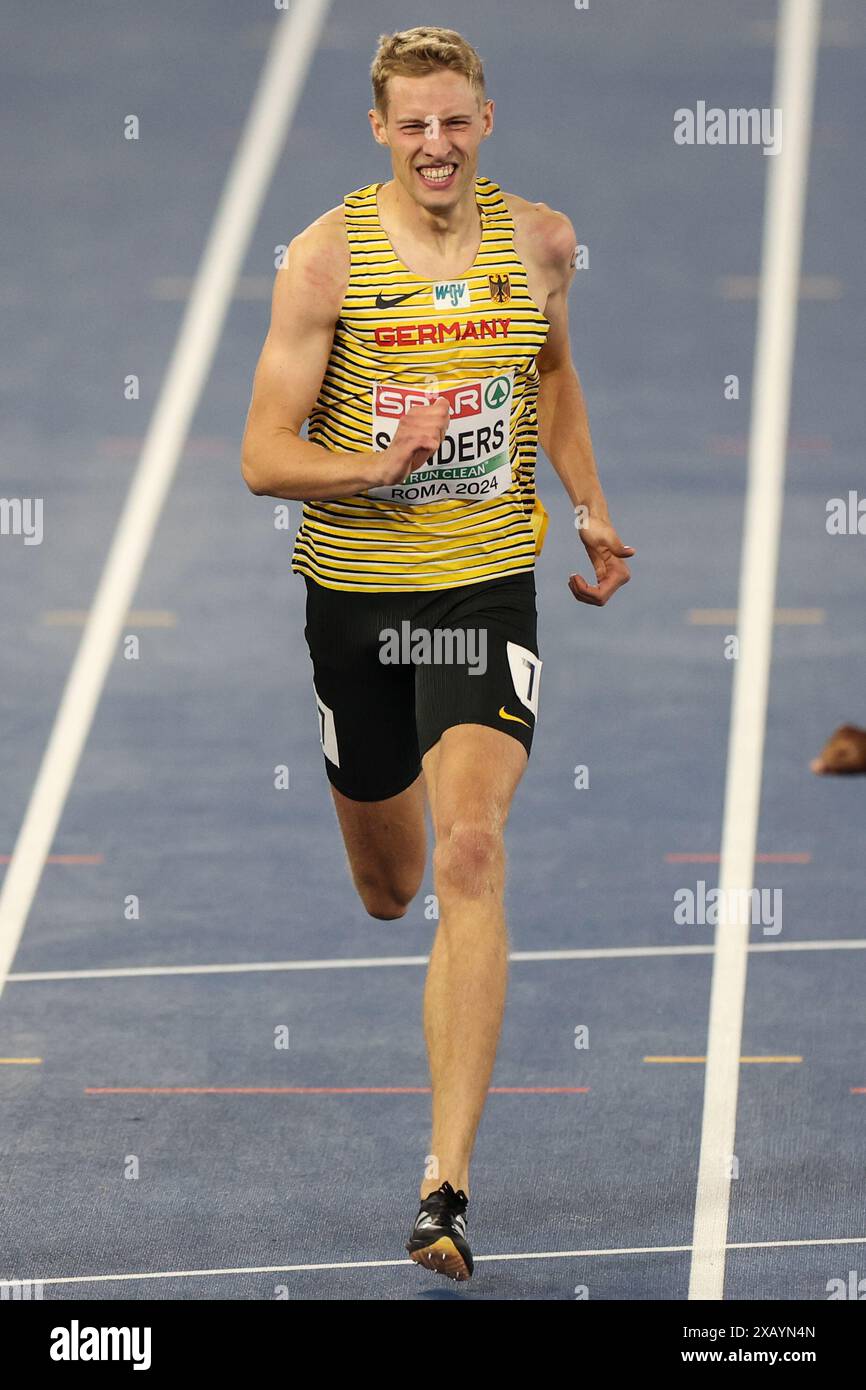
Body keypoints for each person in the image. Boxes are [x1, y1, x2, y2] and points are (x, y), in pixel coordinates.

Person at [241, 25, 634, 1281]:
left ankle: (443, 1185)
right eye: (412, 123)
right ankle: (373, 815)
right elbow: (262, 455)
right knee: (388, 885)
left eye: (454, 121)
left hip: (479, 591)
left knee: (470, 853)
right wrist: (374, 462)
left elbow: (552, 373)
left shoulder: (541, 243)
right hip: (355, 600)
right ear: (378, 130)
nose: (434, 145)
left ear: (485, 119)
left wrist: (586, 503)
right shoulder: (322, 262)